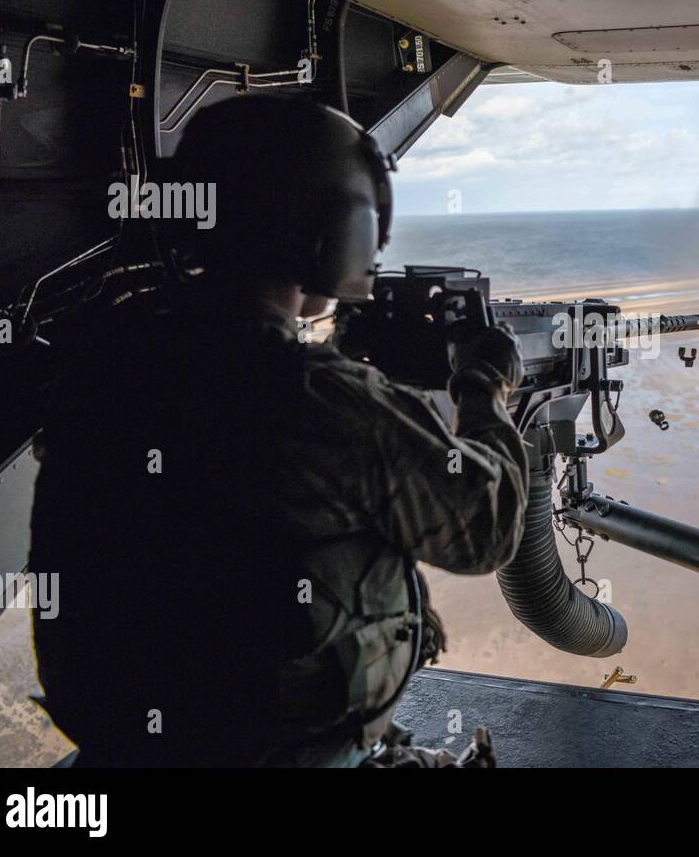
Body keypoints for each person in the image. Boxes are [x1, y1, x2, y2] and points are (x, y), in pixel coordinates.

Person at [28, 95, 528, 766]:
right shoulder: (314, 397)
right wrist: (484, 386)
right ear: (335, 231)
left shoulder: (105, 361)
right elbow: (484, 527)